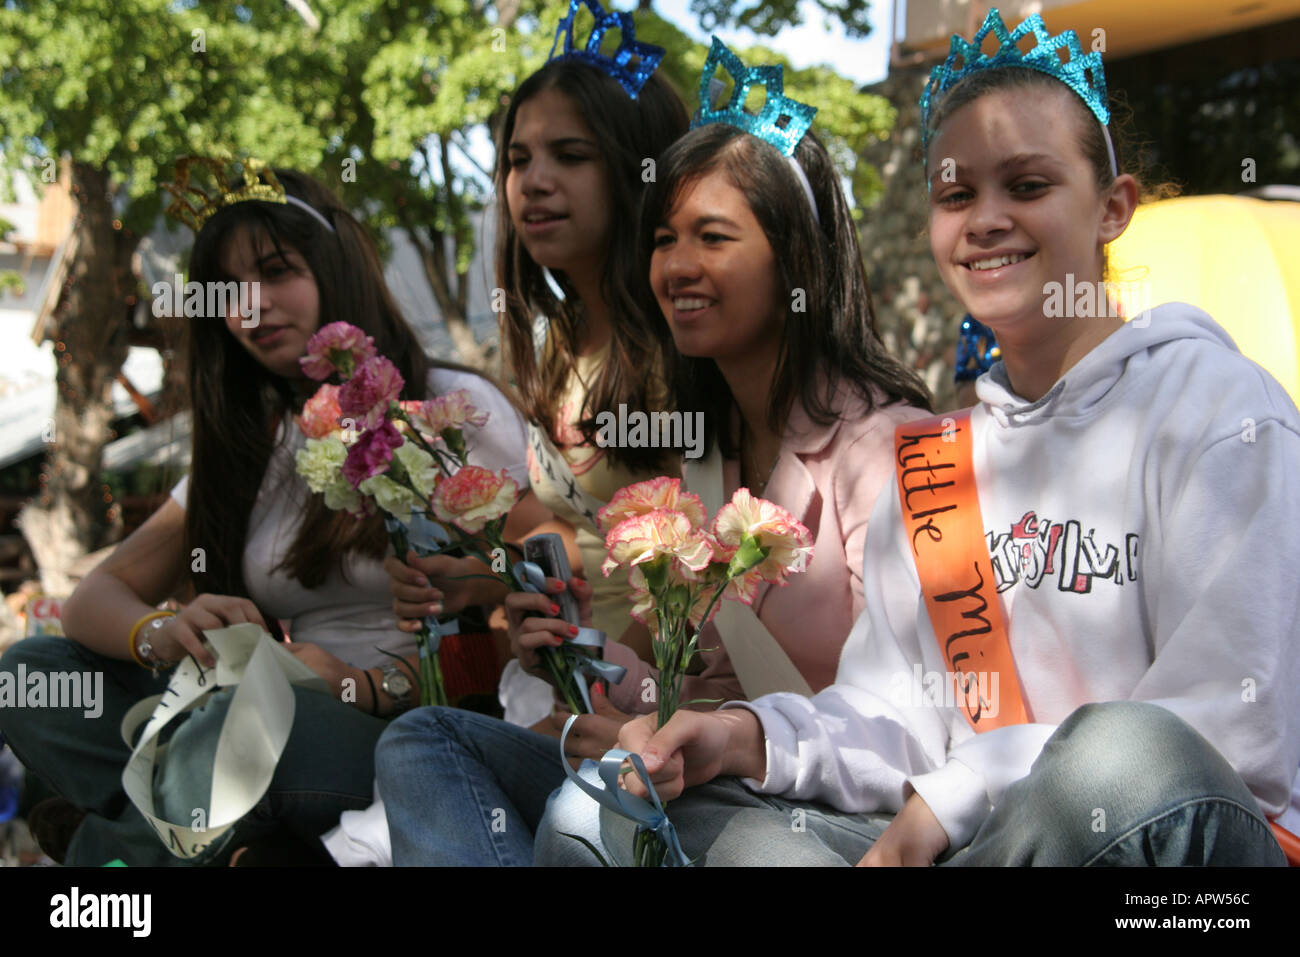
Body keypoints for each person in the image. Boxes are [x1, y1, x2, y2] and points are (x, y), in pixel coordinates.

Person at [580, 11, 1300, 867]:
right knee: (677, 821)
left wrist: (957, 792)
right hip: (992, 844)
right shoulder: (932, 465)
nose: (986, 218)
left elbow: (1221, 739)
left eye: (1027, 186)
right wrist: (744, 737)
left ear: (1114, 208)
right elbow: (892, 713)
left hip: (1185, 871)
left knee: (1124, 754)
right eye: (957, 195)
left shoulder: (1219, 410)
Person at [379, 39, 933, 866]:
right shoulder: (700, 457)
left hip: (816, 811)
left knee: (603, 823)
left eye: (712, 237)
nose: (675, 266)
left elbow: (927, 726)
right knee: (425, 743)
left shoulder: (887, 449)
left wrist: (729, 739)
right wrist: (574, 652)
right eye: (664, 238)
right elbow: (661, 678)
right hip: (687, 781)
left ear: (798, 261)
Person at [0, 161, 536, 866]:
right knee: (32, 672)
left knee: (234, 730)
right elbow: (91, 600)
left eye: (276, 271)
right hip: (253, 710)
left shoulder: (446, 405)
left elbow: (540, 585)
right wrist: (165, 631)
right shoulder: (249, 445)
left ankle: (104, 860)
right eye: (227, 290)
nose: (248, 307)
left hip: (415, 731)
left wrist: (364, 683)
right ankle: (183, 829)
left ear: (334, 269)